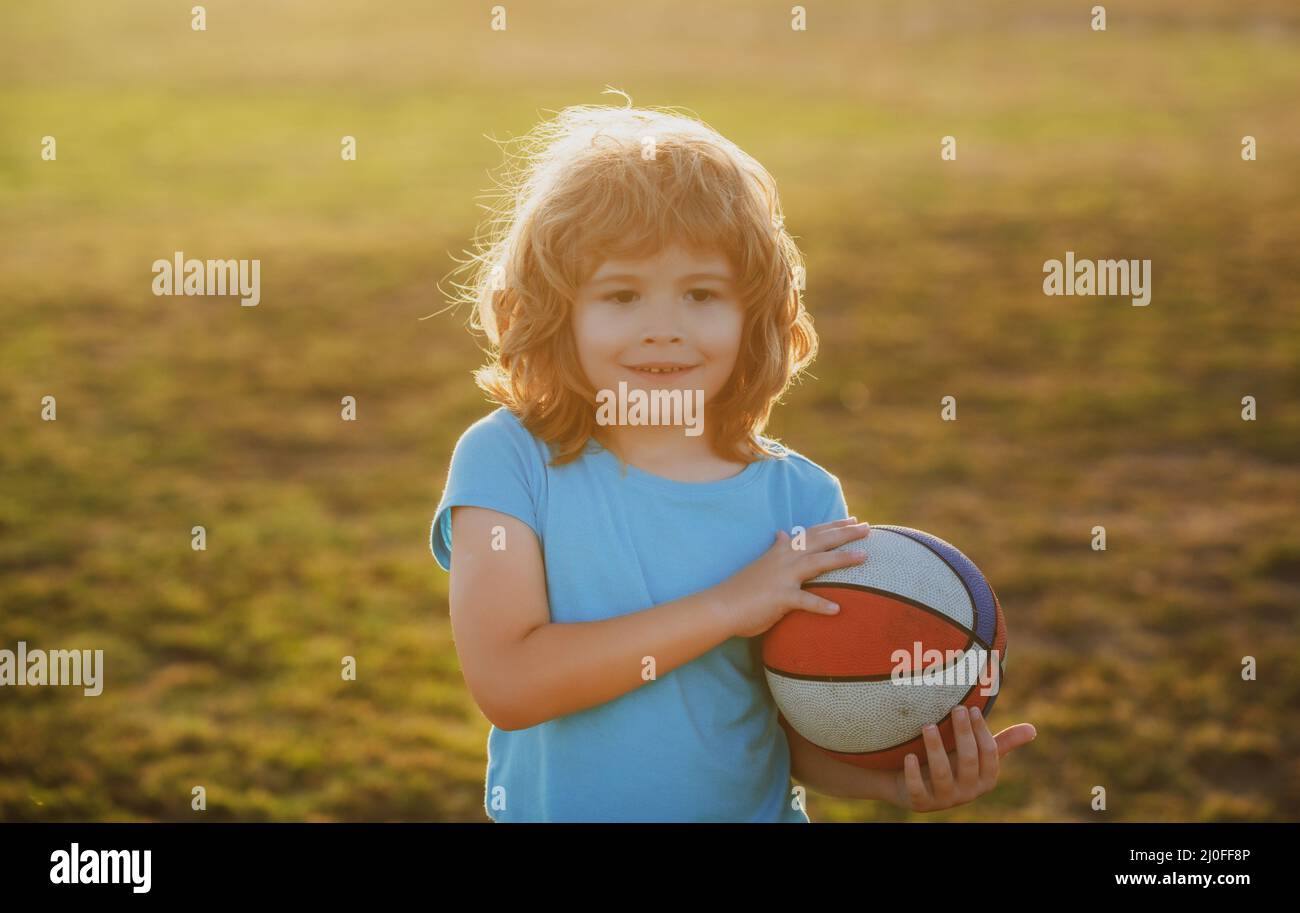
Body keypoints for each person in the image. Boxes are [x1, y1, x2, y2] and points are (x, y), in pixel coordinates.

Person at [430, 93, 1035, 822]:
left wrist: (891, 782)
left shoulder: (801, 499)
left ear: (754, 313)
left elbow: (788, 720)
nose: (664, 328)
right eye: (621, 295)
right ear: (557, 311)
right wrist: (726, 606)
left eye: (701, 294)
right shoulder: (508, 460)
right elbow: (511, 683)